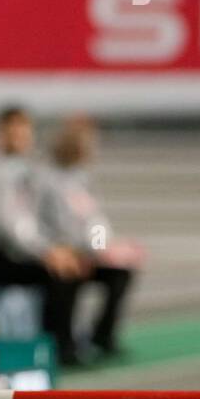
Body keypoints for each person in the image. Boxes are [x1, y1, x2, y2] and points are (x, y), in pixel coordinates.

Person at [0, 107, 86, 363]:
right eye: (13, 132)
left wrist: (61, 248)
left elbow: (42, 219)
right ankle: (55, 348)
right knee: (56, 274)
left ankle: (63, 341)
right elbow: (7, 227)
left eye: (23, 132)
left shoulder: (32, 169)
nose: (19, 138)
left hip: (21, 253)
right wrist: (48, 253)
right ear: (0, 133)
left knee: (74, 267)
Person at [40, 114, 142, 359]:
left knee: (121, 274)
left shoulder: (82, 180)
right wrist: (77, 251)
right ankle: (63, 344)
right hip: (56, 254)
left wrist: (108, 248)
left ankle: (102, 336)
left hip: (84, 253)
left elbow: (94, 221)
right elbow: (53, 226)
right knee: (67, 275)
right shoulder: (46, 181)